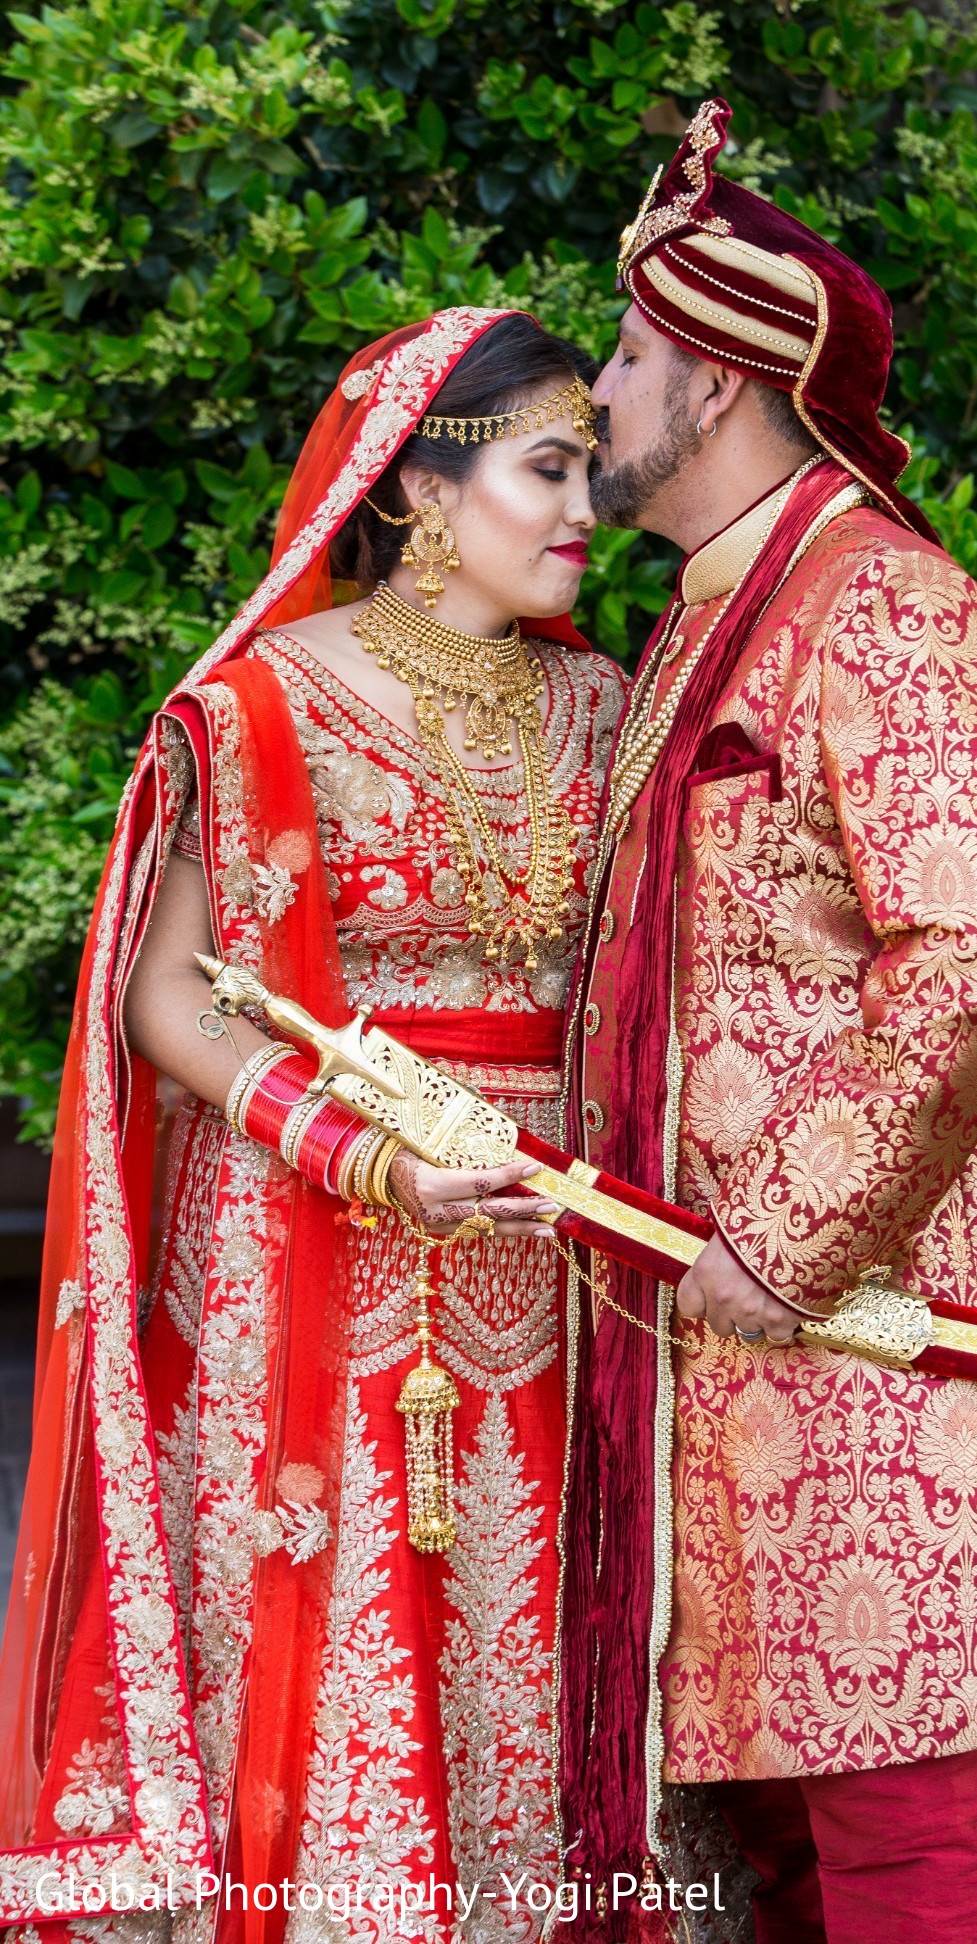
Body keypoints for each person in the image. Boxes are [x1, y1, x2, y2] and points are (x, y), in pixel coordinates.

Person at [0, 307, 626, 1942]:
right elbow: (171, 998)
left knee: (539, 1615)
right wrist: (368, 1154)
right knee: (339, 1616)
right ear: (422, 490)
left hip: (559, 1246)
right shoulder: (260, 707)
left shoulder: (612, 709)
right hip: (321, 1240)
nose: (582, 516)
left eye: (592, 478)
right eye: (549, 472)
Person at [557, 101, 977, 1944]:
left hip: (897, 1407)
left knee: (933, 1897)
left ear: (721, 381)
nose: (599, 406)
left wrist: (783, 1237)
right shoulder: (703, 628)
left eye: (628, 360)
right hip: (727, 1415)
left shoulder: (885, 611)